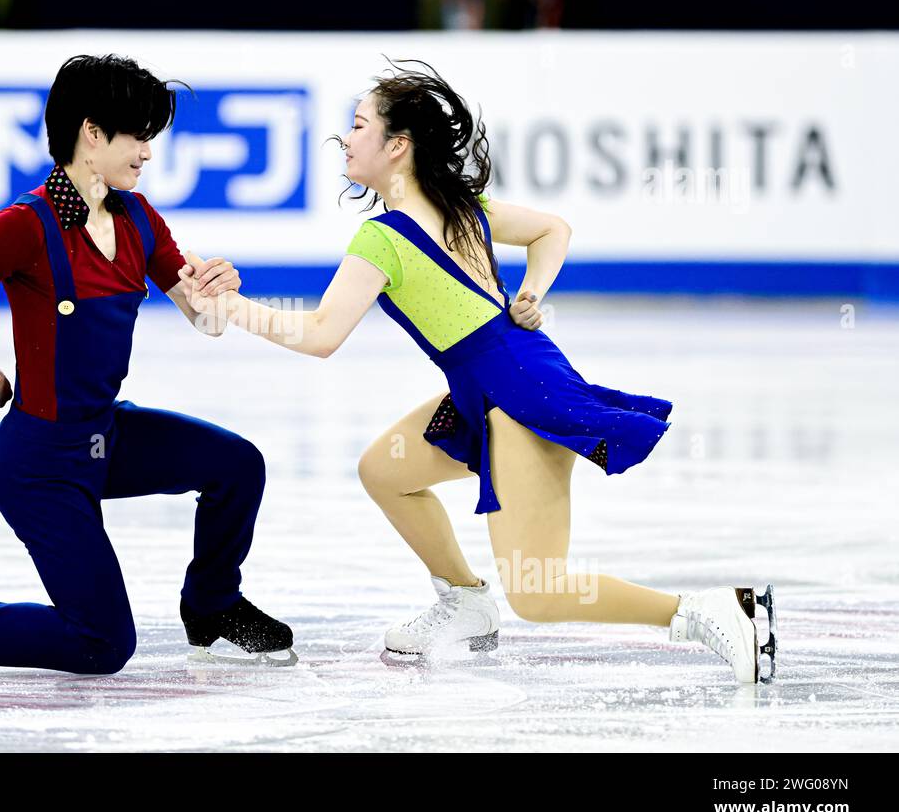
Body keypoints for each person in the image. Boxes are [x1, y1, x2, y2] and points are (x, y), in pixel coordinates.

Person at [177, 60, 777, 684]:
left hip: (516, 395)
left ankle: (709, 611)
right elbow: (553, 229)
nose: (345, 139)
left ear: (397, 146)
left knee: (538, 591)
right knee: (385, 469)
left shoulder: (382, 239)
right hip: (496, 379)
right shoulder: (463, 206)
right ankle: (464, 600)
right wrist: (533, 293)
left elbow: (322, 335)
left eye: (358, 126)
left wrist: (229, 308)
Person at [0, 54, 295, 675]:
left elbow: (202, 319)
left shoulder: (138, 217)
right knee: (102, 644)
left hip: (105, 434)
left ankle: (212, 603)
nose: (148, 153)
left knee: (238, 465)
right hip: (40, 464)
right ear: (92, 133)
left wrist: (217, 292)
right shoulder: (26, 224)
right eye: (137, 136)